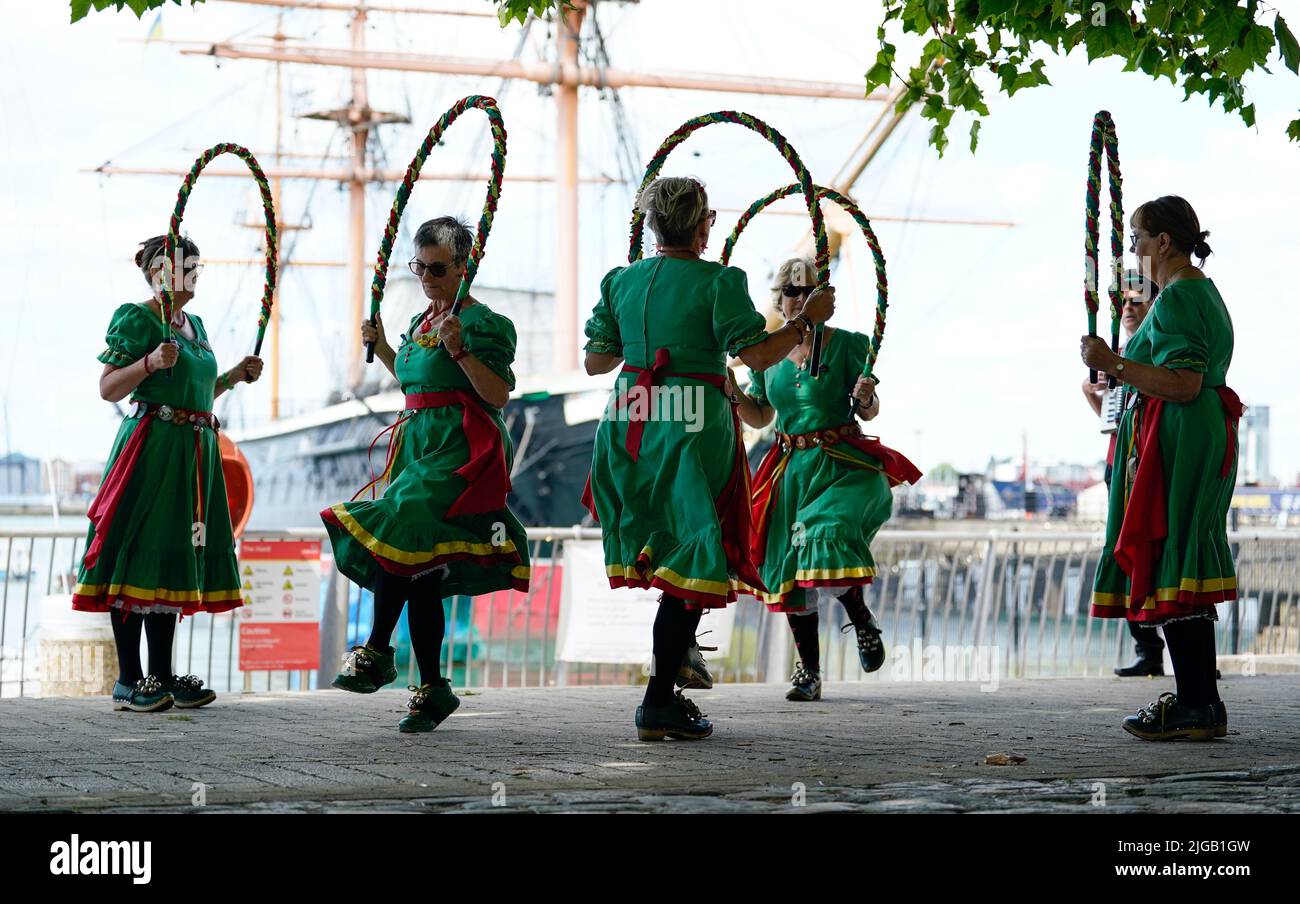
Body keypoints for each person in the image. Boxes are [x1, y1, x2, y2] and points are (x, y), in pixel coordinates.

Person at [583, 177, 834, 740]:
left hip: (630, 422)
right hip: (693, 426)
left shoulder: (621, 281)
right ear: (704, 225)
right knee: (697, 557)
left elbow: (598, 361)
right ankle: (657, 699)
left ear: (650, 226)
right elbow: (756, 352)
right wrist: (805, 319)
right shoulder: (720, 281)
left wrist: (647, 333)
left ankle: (673, 674)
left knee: (675, 557)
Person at [321, 216, 530, 732]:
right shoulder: (419, 321)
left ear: (464, 267)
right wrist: (388, 348)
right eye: (419, 267)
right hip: (417, 446)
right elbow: (416, 382)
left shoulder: (484, 325)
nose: (426, 277)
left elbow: (498, 395)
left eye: (437, 268)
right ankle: (434, 688)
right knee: (421, 572)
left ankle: (375, 648)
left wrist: (459, 348)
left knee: (403, 519)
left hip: (462, 447)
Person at [74, 235, 262, 712]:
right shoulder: (139, 319)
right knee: (136, 553)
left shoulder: (193, 325)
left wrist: (233, 376)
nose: (195, 272)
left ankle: (162, 675)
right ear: (161, 272)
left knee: (172, 558)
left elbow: (194, 395)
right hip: (152, 450)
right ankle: (128, 680)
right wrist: (148, 361)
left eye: (197, 264)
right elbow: (109, 388)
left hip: (193, 453)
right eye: (186, 265)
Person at [1080, 196, 1241, 741]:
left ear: (1164, 241)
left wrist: (1114, 364)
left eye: (1137, 239)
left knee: (1170, 549)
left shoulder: (1175, 298)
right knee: (1183, 553)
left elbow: (1183, 382)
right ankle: (1200, 700)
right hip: (1197, 433)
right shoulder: (1200, 290)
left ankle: (1196, 702)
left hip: (1180, 435)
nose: (1135, 250)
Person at [732, 257, 921, 701]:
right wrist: (734, 392)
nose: (798, 299)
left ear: (823, 298)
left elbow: (868, 408)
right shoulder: (767, 356)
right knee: (789, 569)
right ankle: (810, 672)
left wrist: (867, 398)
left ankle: (860, 616)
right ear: (778, 300)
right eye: (790, 292)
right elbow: (761, 413)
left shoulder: (849, 344)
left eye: (807, 291)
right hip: (789, 469)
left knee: (825, 536)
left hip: (840, 463)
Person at [1081, 269, 1165, 677]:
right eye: (1123, 303)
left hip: (1150, 461)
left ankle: (1173, 650)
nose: (1129, 309)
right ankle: (1146, 648)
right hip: (1120, 459)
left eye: (1137, 301)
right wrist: (1091, 395)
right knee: (1123, 546)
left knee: (1154, 547)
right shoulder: (1116, 354)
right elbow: (1116, 424)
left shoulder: (1149, 351)